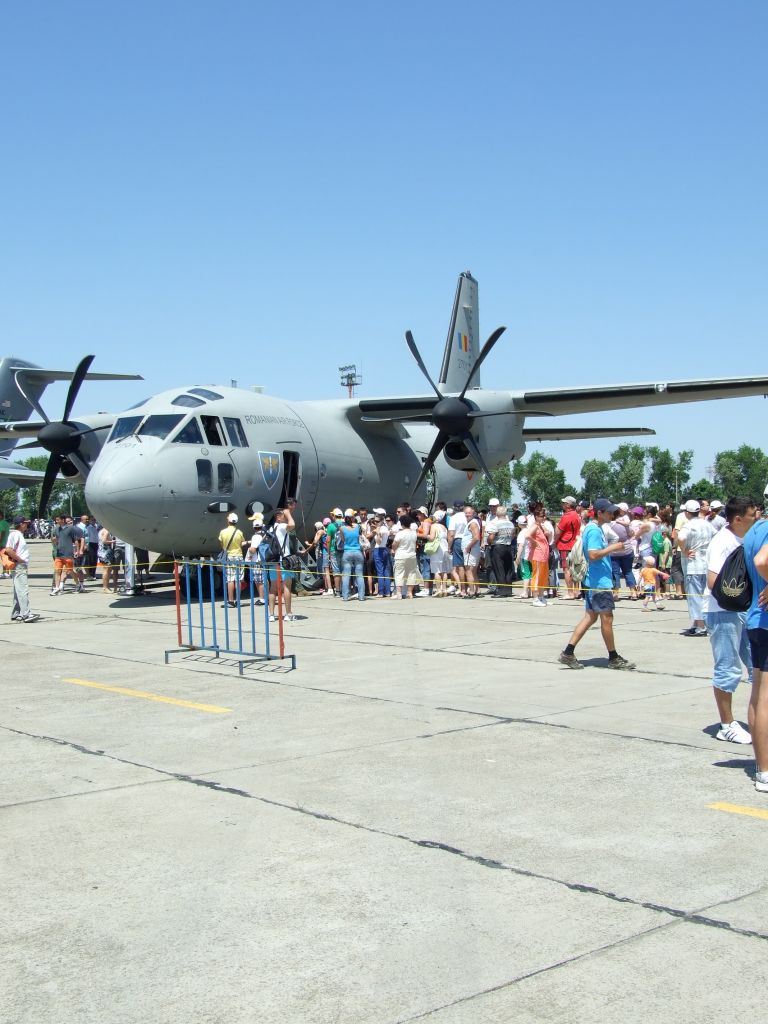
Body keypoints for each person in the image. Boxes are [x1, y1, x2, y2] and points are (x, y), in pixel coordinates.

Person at [704, 497, 758, 744]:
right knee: (727, 667)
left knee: (757, 664)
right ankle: (726, 725)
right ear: (738, 519)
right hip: (723, 611)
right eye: (753, 514)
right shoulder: (722, 542)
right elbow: (713, 581)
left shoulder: (747, 537)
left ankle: (760, 716)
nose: (757, 516)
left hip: (745, 610)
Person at [558, 498, 636, 671]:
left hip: (595, 580)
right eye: (608, 512)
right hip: (598, 582)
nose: (612, 514)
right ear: (599, 513)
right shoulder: (593, 530)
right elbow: (593, 555)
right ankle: (613, 657)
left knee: (590, 617)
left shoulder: (596, 528)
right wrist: (613, 547)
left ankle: (568, 653)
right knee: (607, 618)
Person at [742, 513, 768, 792]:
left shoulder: (755, 530)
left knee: (758, 694)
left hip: (757, 619)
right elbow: (763, 561)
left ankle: (762, 766)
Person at [677, 499, 716, 636]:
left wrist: (684, 550)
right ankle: (697, 623)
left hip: (693, 564)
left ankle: (701, 626)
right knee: (705, 595)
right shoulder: (707, 524)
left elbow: (680, 538)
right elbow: (716, 536)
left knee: (694, 596)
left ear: (687, 512)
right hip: (706, 564)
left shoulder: (689, 525)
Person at [4, 516, 39, 622]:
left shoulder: (18, 534)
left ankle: (16, 613)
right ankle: (26, 614)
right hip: (19, 565)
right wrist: (20, 560)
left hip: (19, 565)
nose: (27, 525)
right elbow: (9, 550)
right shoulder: (15, 534)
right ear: (21, 524)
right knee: (23, 590)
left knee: (18, 590)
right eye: (26, 523)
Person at [267, 506, 297, 622]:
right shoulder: (281, 526)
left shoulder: (271, 528)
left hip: (273, 560)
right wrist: (288, 513)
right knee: (287, 587)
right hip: (284, 560)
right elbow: (292, 525)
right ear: (278, 517)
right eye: (283, 516)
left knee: (273, 588)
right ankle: (288, 614)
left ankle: (271, 615)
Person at [484, 506, 515, 598]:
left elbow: (491, 536)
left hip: (497, 547)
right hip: (508, 546)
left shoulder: (494, 523)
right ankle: (508, 590)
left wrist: (489, 543)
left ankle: (501, 591)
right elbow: (513, 535)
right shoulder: (510, 524)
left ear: (497, 514)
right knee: (508, 569)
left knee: (499, 569)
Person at [554, 496, 582, 599]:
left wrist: (554, 542)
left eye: (564, 503)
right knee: (576, 568)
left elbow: (558, 532)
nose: (562, 505)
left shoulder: (566, 516)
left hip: (565, 544)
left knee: (567, 569)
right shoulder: (577, 515)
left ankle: (570, 593)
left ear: (568, 505)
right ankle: (577, 591)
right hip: (576, 543)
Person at [218, 512, 246, 608]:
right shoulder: (239, 532)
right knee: (238, 579)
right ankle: (238, 600)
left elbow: (222, 546)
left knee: (230, 579)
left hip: (229, 556)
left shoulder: (223, 532)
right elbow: (241, 544)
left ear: (228, 520)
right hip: (238, 556)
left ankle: (230, 601)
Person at [391, 514, 421, 598]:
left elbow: (394, 544)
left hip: (401, 555)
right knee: (411, 573)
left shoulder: (400, 533)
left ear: (401, 524)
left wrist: (394, 549)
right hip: (412, 555)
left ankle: (399, 593)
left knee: (399, 574)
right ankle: (409, 592)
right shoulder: (414, 533)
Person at [339, 510, 365, 602]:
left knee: (346, 575)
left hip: (347, 552)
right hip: (357, 551)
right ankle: (361, 596)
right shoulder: (358, 526)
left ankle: (345, 597)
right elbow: (361, 536)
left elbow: (343, 540)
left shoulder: (342, 528)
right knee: (359, 575)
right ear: (353, 517)